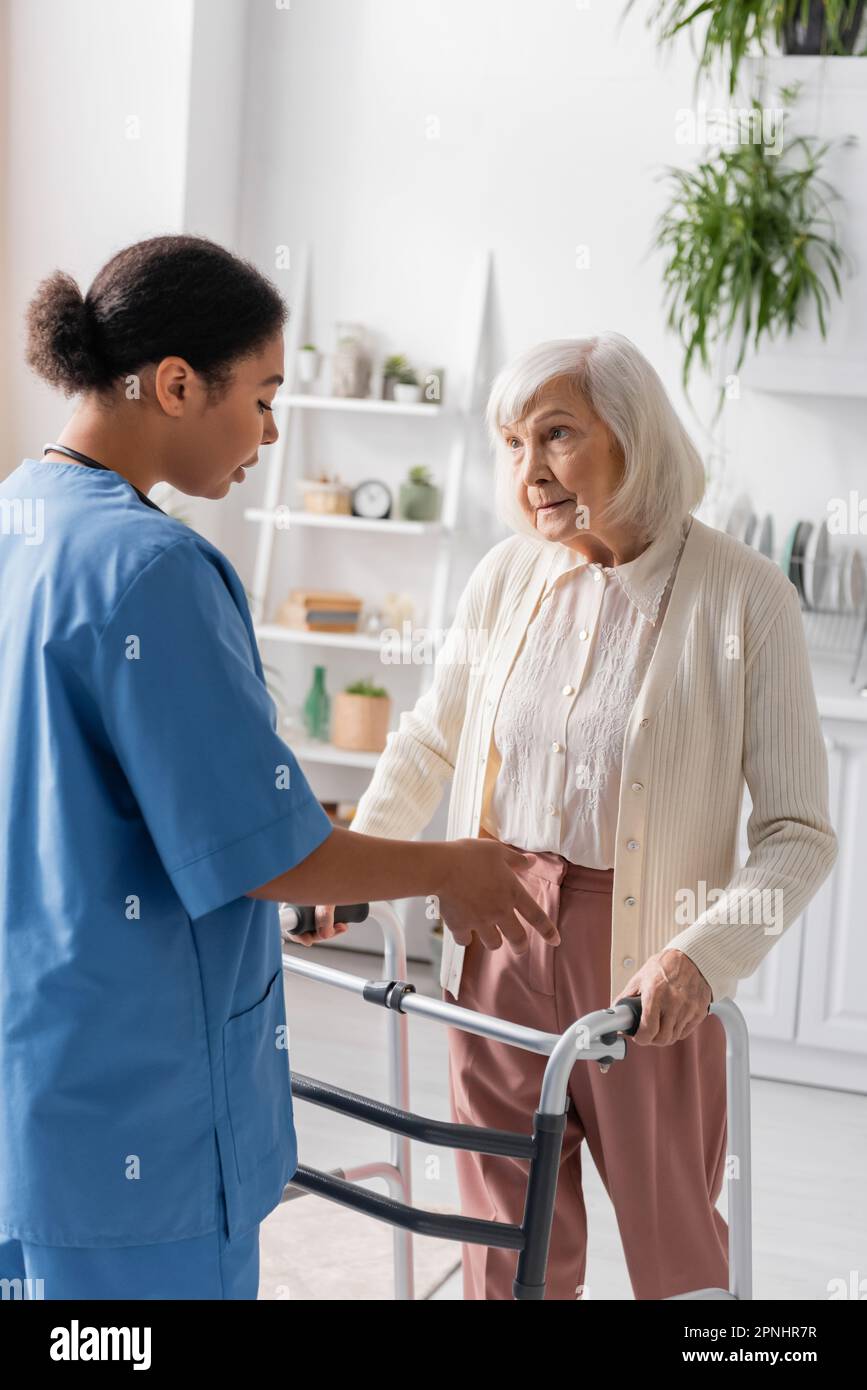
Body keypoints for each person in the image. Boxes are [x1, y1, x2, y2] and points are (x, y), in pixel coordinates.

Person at [0, 234, 558, 1301]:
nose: (268, 430)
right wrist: (455, 867)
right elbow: (265, 850)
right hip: (138, 1129)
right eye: (260, 395)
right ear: (174, 384)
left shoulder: (17, 523)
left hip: (30, 1096)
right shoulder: (153, 569)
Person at [319, 333, 838, 1299]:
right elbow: (433, 737)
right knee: (502, 1235)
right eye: (512, 444)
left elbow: (798, 836)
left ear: (631, 435)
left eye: (555, 435)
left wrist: (698, 958)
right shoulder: (504, 576)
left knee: (674, 1242)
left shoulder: (746, 598)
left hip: (650, 965)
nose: (530, 473)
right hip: (495, 932)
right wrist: (351, 864)